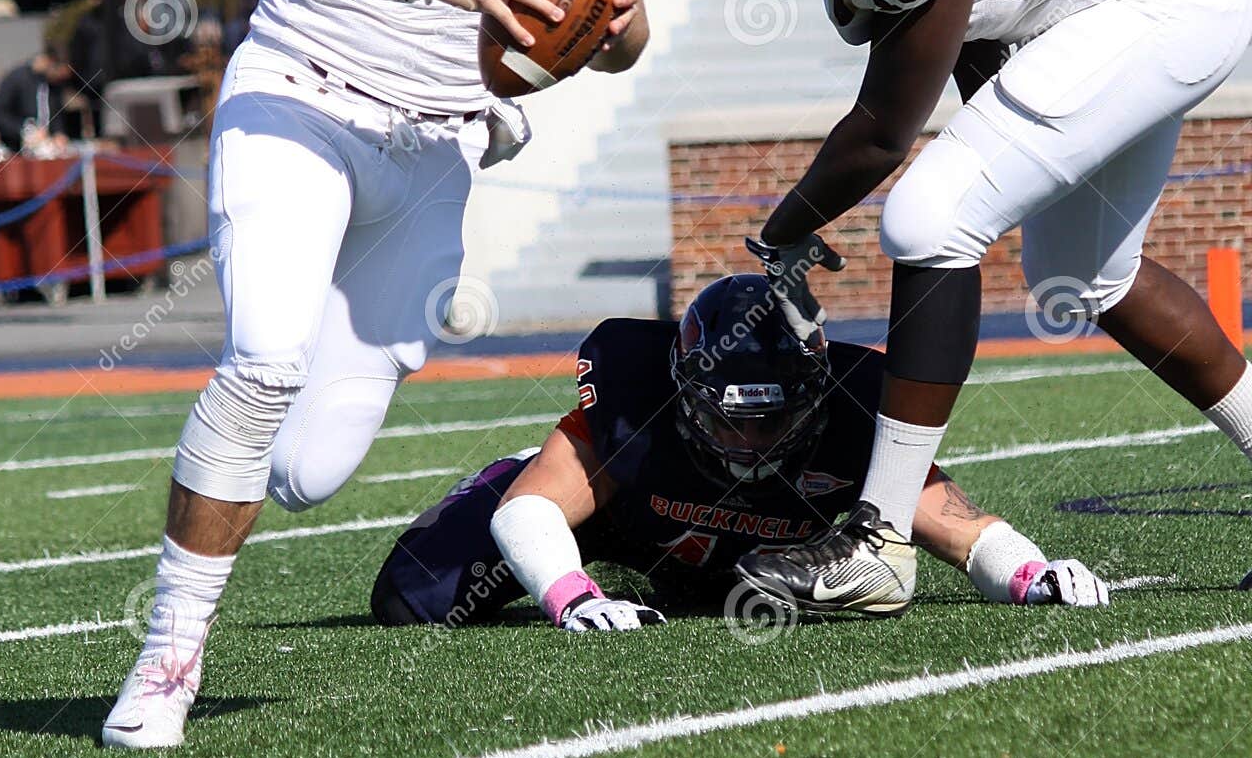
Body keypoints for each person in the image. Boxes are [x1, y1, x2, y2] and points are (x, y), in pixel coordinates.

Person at [103, 0, 661, 748]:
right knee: (257, 363)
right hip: (301, 91)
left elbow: (605, 13)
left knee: (307, 472)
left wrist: (606, 22)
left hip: (439, 145)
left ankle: (249, 490)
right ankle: (167, 655)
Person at [672, 0, 1252, 617]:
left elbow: (881, 134)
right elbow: (984, 10)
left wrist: (784, 231)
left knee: (927, 217)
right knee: (1085, 275)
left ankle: (880, 538)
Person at [371, 274, 1108, 630]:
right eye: (729, 418)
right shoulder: (638, 401)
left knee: (711, 598)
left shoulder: (853, 420)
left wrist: (1032, 572)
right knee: (412, 601)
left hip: (742, 566)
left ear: (815, 395)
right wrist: (571, 597)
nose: (750, 438)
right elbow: (531, 510)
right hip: (625, 524)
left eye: (772, 417)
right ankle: (512, 472)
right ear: (685, 390)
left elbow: (959, 524)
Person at [0, 44, 79, 152]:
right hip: (15, 149)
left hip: (46, 149)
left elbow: (56, 114)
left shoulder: (54, 84)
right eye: (57, 73)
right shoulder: (17, 78)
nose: (59, 79)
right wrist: (25, 131)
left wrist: (59, 133)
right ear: (48, 62)